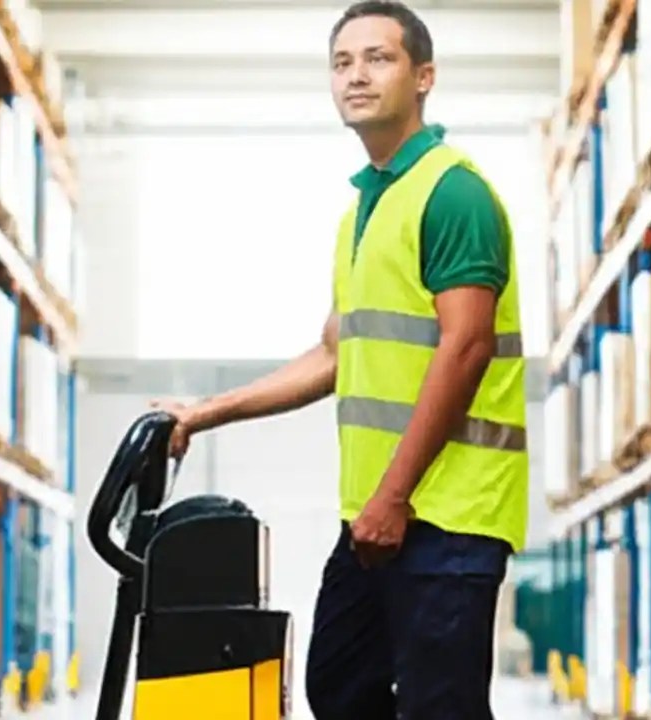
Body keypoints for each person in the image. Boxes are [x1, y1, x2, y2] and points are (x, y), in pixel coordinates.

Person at [151, 2, 528, 717]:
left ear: (424, 77)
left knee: (437, 708)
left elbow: (468, 346)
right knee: (338, 684)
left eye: (378, 59)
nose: (357, 75)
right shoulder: (363, 211)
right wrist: (205, 413)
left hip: (447, 515)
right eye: (342, 62)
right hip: (376, 513)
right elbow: (334, 353)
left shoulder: (454, 194)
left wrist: (394, 495)